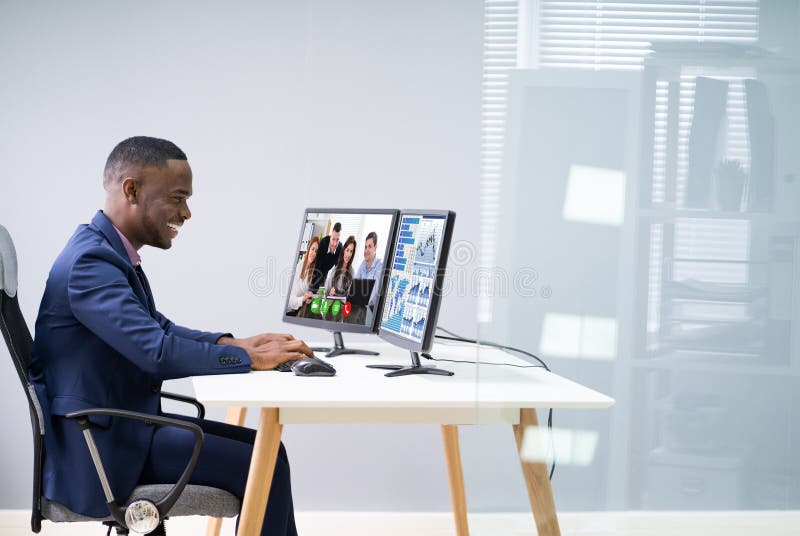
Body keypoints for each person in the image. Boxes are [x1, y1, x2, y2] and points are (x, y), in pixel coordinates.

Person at [28, 136, 311, 536]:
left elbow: (156, 328)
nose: (187, 212)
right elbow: (156, 352)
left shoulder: (104, 252)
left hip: (120, 427)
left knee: (269, 452)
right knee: (262, 464)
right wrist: (249, 360)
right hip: (103, 453)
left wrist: (234, 344)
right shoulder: (91, 263)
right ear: (132, 190)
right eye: (178, 198)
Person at [353, 231, 383, 324]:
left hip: (371, 312)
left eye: (369, 246)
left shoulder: (379, 266)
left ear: (375, 247)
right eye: (365, 247)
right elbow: (354, 287)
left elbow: (370, 296)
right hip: (359, 309)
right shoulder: (363, 264)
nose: (366, 250)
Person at [286, 235, 319, 314]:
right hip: (288, 310)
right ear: (308, 248)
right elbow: (290, 300)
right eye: (313, 249)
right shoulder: (298, 267)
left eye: (316, 251)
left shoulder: (310, 270)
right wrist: (303, 298)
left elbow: (303, 294)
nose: (314, 253)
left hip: (296, 310)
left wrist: (307, 298)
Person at [310, 222, 341, 291]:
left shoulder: (340, 248)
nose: (335, 243)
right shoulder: (323, 243)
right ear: (330, 236)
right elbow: (318, 266)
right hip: (315, 273)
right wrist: (331, 253)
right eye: (333, 239)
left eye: (337, 240)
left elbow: (337, 268)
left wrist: (334, 285)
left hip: (325, 274)